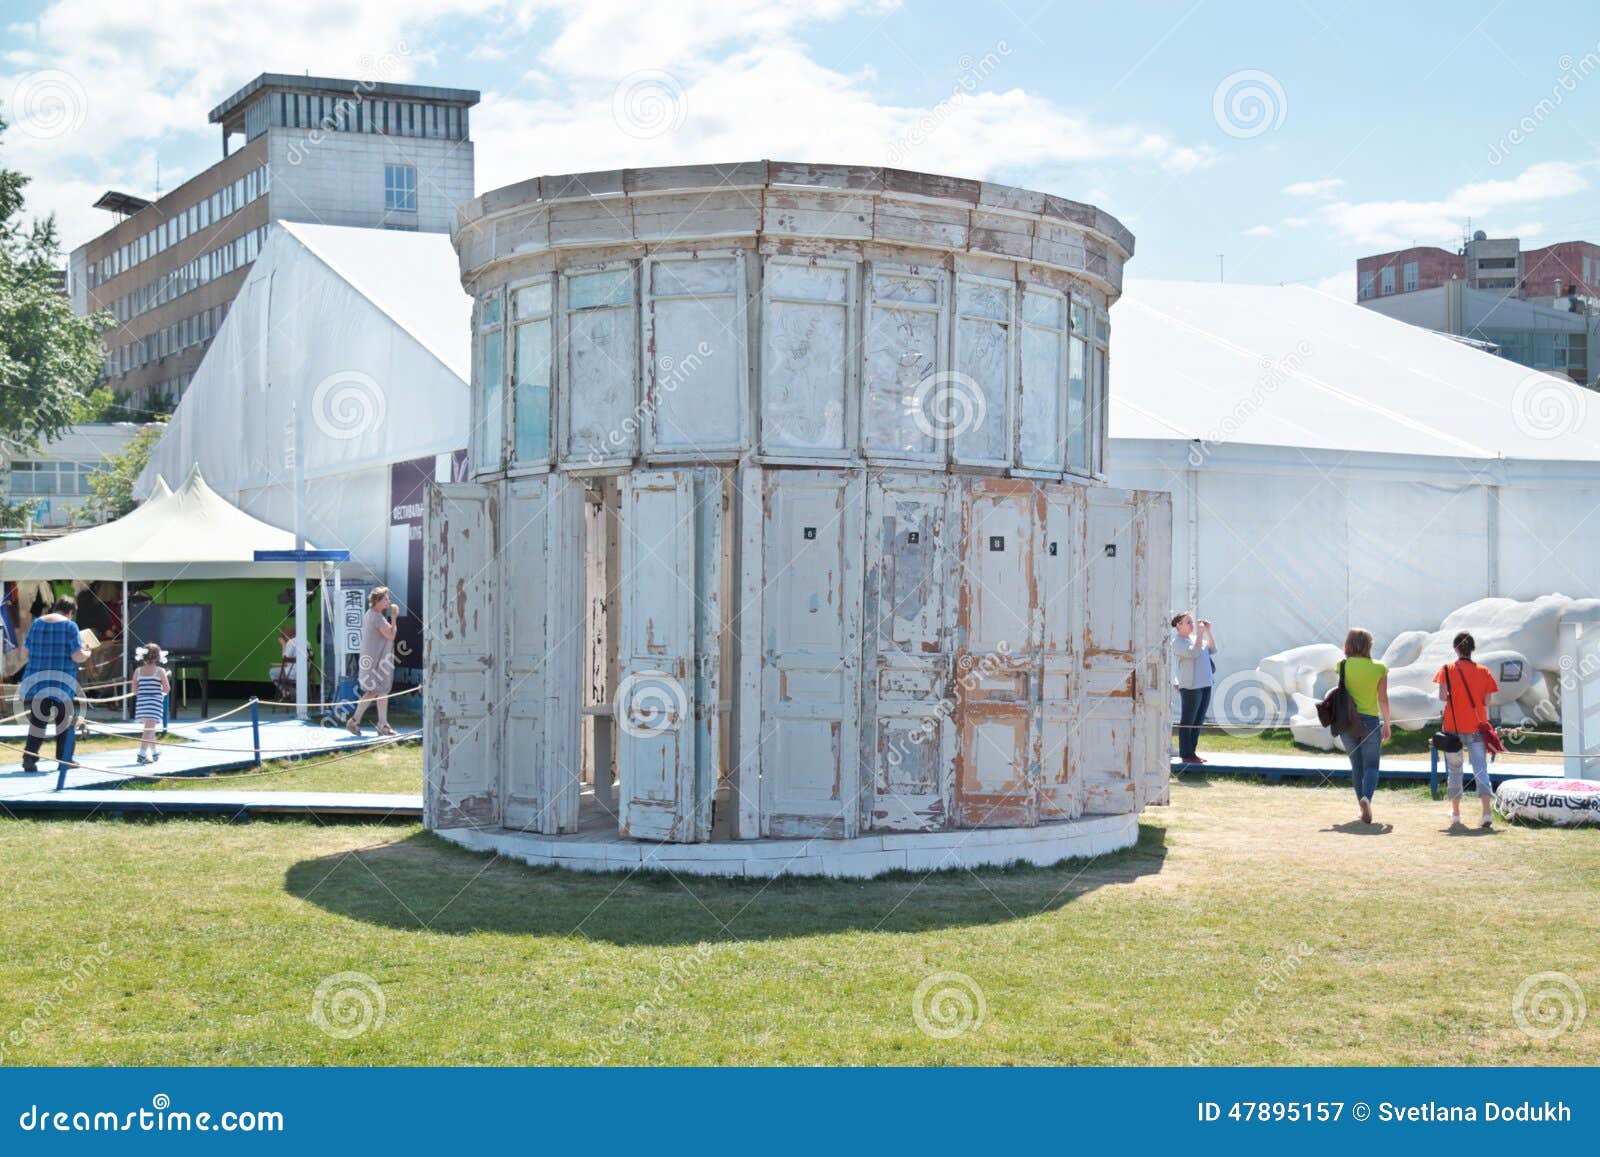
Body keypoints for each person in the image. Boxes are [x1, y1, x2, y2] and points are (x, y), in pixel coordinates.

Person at [1434, 631, 1499, 829]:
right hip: (1477, 727)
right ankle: (1486, 813)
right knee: (1480, 769)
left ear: (1455, 648)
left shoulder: (1446, 669)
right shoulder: (1484, 671)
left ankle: (1455, 813)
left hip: (1453, 728)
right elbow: (1487, 701)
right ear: (1472, 649)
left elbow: (1443, 697)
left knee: (1455, 770)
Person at [19, 596, 90, 773]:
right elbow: (77, 656)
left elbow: (25, 652)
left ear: (55, 607)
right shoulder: (70, 625)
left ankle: (29, 758)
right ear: (70, 612)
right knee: (64, 723)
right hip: (62, 683)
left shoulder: (36, 623)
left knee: (38, 722)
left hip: (37, 682)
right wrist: (87, 652)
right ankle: (65, 760)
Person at [1340, 627, 1392, 825]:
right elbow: (1383, 699)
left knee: (1356, 765)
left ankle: (1361, 805)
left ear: (1348, 644)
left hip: (1346, 721)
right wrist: (1387, 724)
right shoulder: (1380, 668)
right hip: (1370, 721)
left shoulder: (1342, 665)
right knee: (1371, 765)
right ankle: (1366, 799)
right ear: (1369, 645)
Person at [347, 587, 398, 737]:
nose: (388, 602)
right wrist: (394, 618)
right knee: (373, 691)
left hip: (374, 659)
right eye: (386, 599)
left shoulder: (372, 615)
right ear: (378, 601)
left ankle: (383, 725)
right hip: (373, 660)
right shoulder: (376, 616)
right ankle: (354, 721)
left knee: (381, 691)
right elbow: (390, 635)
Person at [1171, 612, 1218, 764]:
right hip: (1191, 687)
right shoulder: (1178, 642)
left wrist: (1208, 631)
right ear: (1179, 625)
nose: (1192, 625)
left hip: (1205, 685)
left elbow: (1212, 649)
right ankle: (1186, 754)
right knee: (1188, 721)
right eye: (1188, 622)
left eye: (1192, 622)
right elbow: (1194, 653)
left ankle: (1192, 753)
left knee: (1198, 721)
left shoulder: (1194, 639)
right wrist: (1200, 634)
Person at [132, 643, 172, 765]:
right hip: (154, 703)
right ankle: (142, 754)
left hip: (142, 704)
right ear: (158, 657)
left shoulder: (137, 671)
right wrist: (158, 689)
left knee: (150, 729)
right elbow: (166, 689)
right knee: (148, 730)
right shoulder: (160, 671)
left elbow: (134, 690)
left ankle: (154, 752)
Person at [274, 625, 306, 701]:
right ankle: (291, 691)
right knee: (282, 674)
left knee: (273, 672)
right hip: (306, 672)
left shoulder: (291, 642)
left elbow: (284, 659)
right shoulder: (306, 641)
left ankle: (286, 692)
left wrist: (283, 644)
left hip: (294, 672)